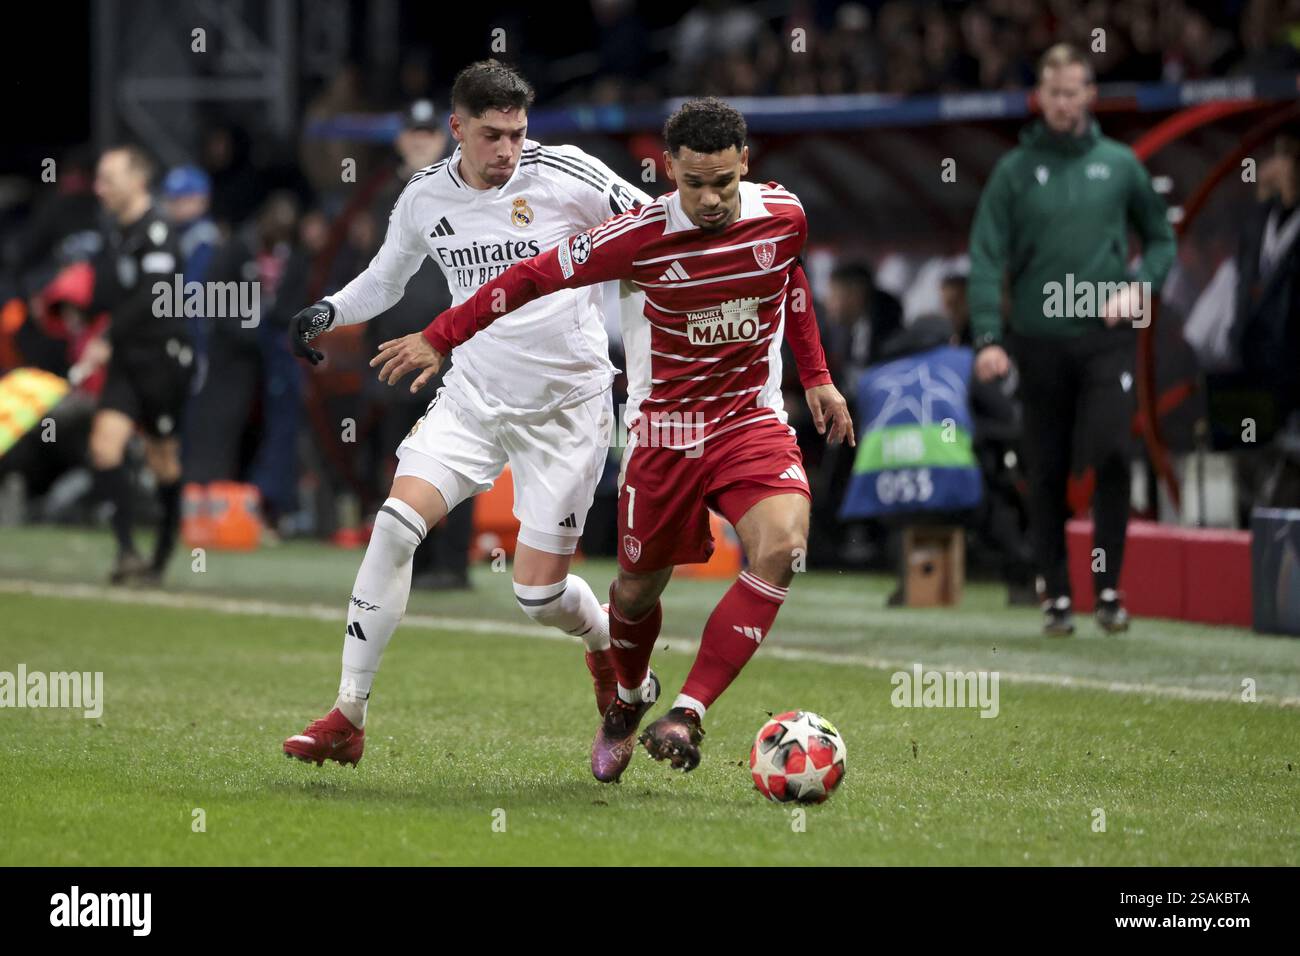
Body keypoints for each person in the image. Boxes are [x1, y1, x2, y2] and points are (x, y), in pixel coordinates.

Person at [377, 97, 852, 781]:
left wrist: (818, 379)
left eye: (724, 181)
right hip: (664, 434)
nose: (712, 198)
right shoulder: (637, 235)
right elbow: (532, 276)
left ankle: (687, 712)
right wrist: (437, 335)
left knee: (783, 547)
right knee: (632, 596)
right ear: (667, 172)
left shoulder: (784, 216)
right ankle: (627, 701)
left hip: (749, 420)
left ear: (745, 164)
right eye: (694, 183)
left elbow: (789, 278)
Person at [281, 60, 652, 767]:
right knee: (393, 526)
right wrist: (330, 309)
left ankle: (607, 654)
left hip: (566, 408)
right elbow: (387, 278)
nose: (507, 150)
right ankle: (348, 715)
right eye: (491, 135)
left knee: (538, 597)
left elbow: (651, 237)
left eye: (516, 132)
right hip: (473, 396)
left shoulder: (569, 173)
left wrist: (648, 371)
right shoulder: (424, 195)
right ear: (458, 130)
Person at [968, 43, 1176, 635]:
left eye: (1074, 92)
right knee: (1047, 467)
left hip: (1107, 336)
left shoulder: (1120, 164)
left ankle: (1108, 588)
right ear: (1041, 99)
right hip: (1036, 340)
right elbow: (986, 255)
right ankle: (1056, 594)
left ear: (1089, 94)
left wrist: (1141, 287)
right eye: (1053, 94)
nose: (1064, 104)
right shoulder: (1013, 172)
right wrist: (988, 336)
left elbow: (1162, 239)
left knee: (1113, 449)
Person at [86, 145, 194, 585]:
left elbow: (155, 295)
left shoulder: (159, 232)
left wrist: (106, 337)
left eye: (108, 178)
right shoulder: (115, 232)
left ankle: (163, 555)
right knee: (104, 448)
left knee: (162, 461)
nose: (100, 188)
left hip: (162, 361)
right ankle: (127, 551)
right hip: (127, 362)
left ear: (137, 181)